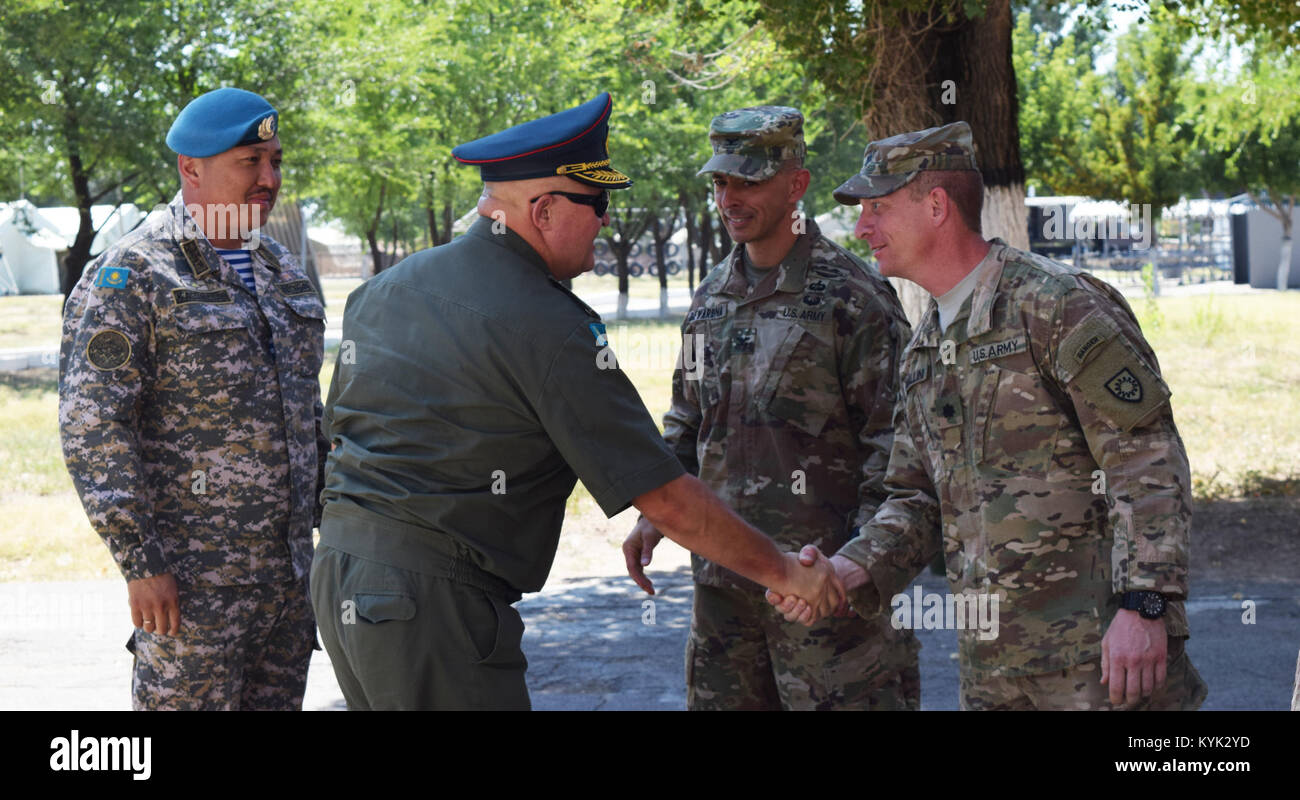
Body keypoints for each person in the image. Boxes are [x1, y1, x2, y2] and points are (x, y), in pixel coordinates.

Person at [310, 92, 843, 711]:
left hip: (345, 581)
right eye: (598, 203)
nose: (608, 221)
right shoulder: (548, 323)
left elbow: (343, 437)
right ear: (542, 210)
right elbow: (666, 497)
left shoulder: (385, 288)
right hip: (433, 608)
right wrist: (784, 572)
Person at [772, 120, 1208, 711]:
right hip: (993, 671)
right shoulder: (925, 346)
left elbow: (1145, 456)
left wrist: (1146, 605)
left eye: (877, 206)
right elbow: (915, 499)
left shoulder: (1055, 305)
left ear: (935, 206)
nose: (862, 226)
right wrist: (849, 568)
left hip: (1102, 661)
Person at [621, 106, 920, 710]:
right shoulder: (711, 296)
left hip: (828, 601)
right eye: (720, 182)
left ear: (797, 185)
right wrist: (657, 511)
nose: (730, 197)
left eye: (749, 181)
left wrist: (851, 568)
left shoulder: (851, 297)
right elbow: (687, 418)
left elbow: (898, 456)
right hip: (722, 595)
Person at [59, 87, 325, 710]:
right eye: (249, 163)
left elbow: (307, 413)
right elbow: (95, 425)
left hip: (287, 583)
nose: (269, 178)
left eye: (276, 161)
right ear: (191, 168)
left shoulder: (283, 271)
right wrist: (140, 560)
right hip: (190, 587)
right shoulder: (135, 273)